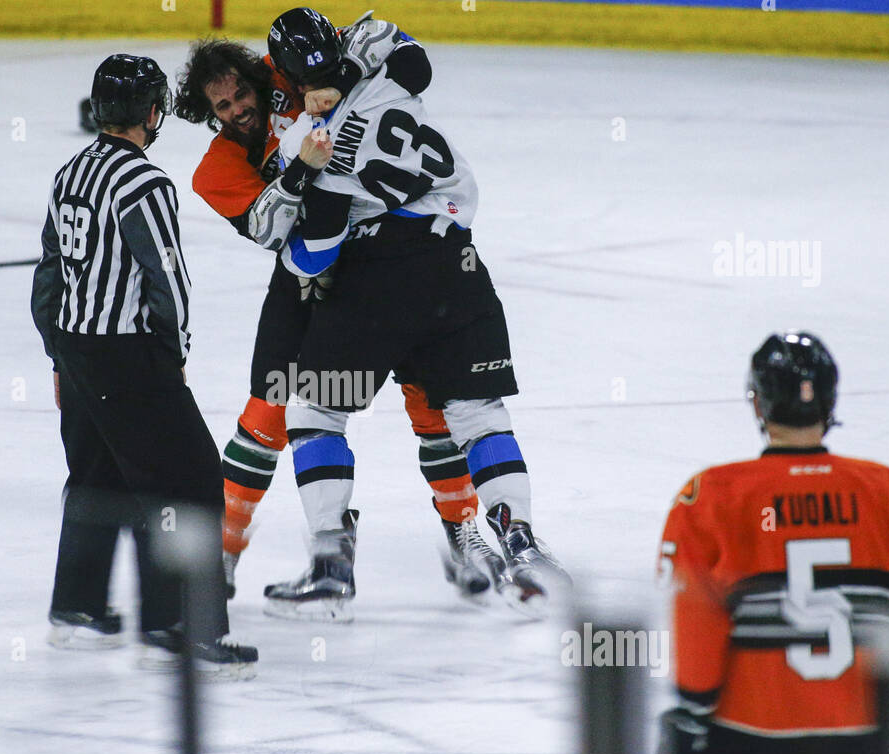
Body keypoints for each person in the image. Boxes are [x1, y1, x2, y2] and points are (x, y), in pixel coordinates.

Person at [173, 26, 502, 616]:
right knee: (268, 415)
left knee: (430, 402)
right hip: (305, 273)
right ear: (208, 114)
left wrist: (339, 79)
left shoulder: (293, 67)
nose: (237, 109)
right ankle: (223, 560)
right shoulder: (215, 170)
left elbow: (391, 43)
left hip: (388, 254)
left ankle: (464, 535)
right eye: (221, 107)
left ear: (259, 77)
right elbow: (273, 229)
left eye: (239, 95)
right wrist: (301, 168)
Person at [256, 7, 570, 622]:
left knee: (317, 409)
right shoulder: (387, 78)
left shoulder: (305, 141)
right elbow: (415, 58)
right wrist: (348, 67)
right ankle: (523, 548)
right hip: (456, 262)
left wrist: (299, 203)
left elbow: (313, 254)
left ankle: (330, 568)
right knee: (477, 413)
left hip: (376, 279)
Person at [30, 53, 257, 677]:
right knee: (191, 482)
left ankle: (76, 610)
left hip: (77, 350)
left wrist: (57, 354)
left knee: (98, 479)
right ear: (153, 112)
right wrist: (174, 353)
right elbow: (169, 279)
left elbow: (48, 272)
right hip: (129, 357)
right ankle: (183, 628)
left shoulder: (69, 172)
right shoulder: (145, 183)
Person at [655, 332, 889, 754]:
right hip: (869, 739)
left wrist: (692, 713)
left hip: (750, 739)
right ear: (830, 404)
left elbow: (698, 624)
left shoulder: (709, 497)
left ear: (758, 405)